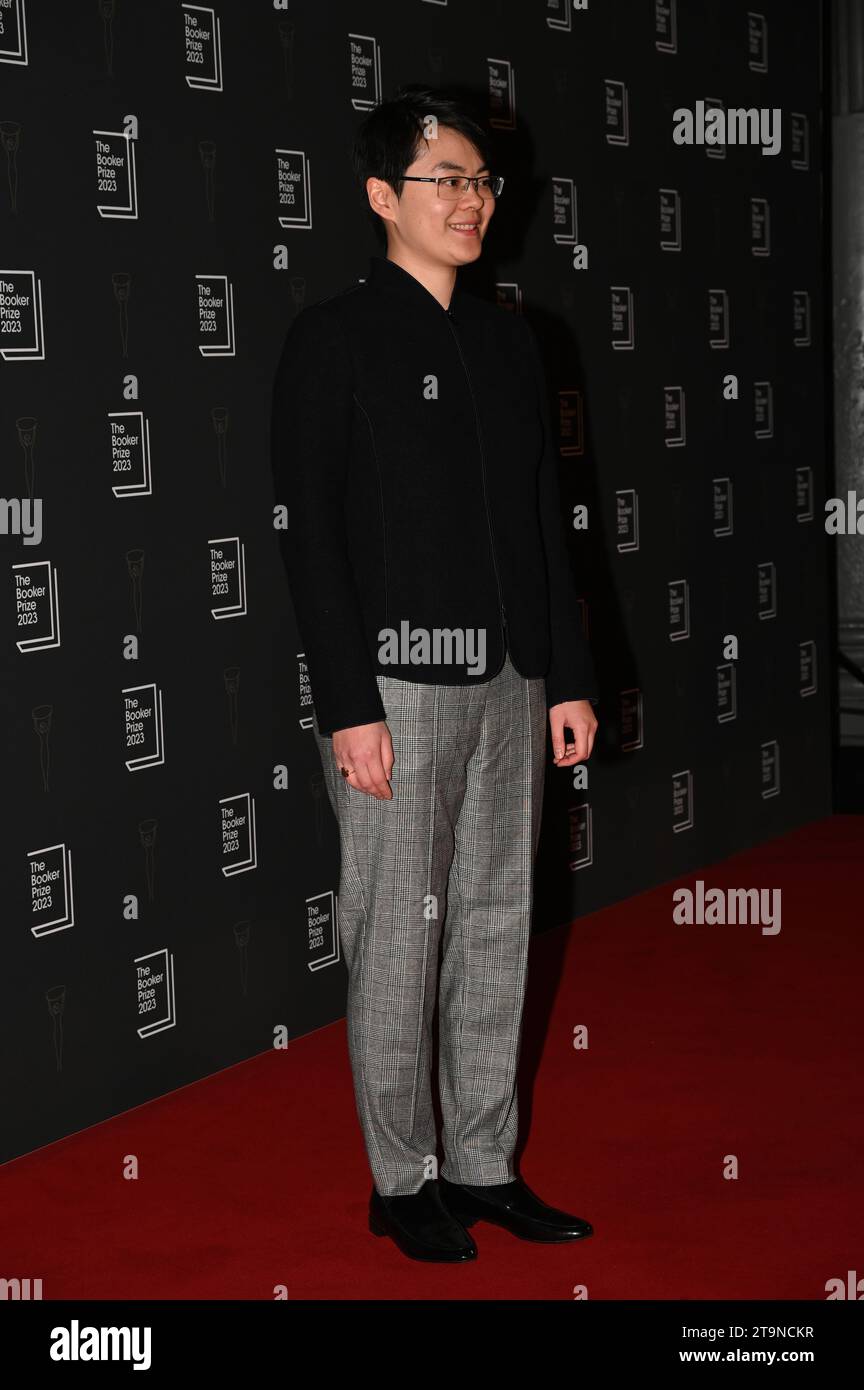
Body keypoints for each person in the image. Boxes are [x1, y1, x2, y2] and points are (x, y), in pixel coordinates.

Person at [271, 83, 599, 1263]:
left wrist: (565, 674)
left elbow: (543, 522)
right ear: (379, 196)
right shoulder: (334, 338)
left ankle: (482, 1162)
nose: (469, 200)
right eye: (444, 179)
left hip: (513, 685)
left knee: (499, 924)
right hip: (396, 691)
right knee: (399, 936)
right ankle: (400, 1176)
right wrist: (347, 704)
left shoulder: (516, 340)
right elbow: (308, 531)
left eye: (480, 181)